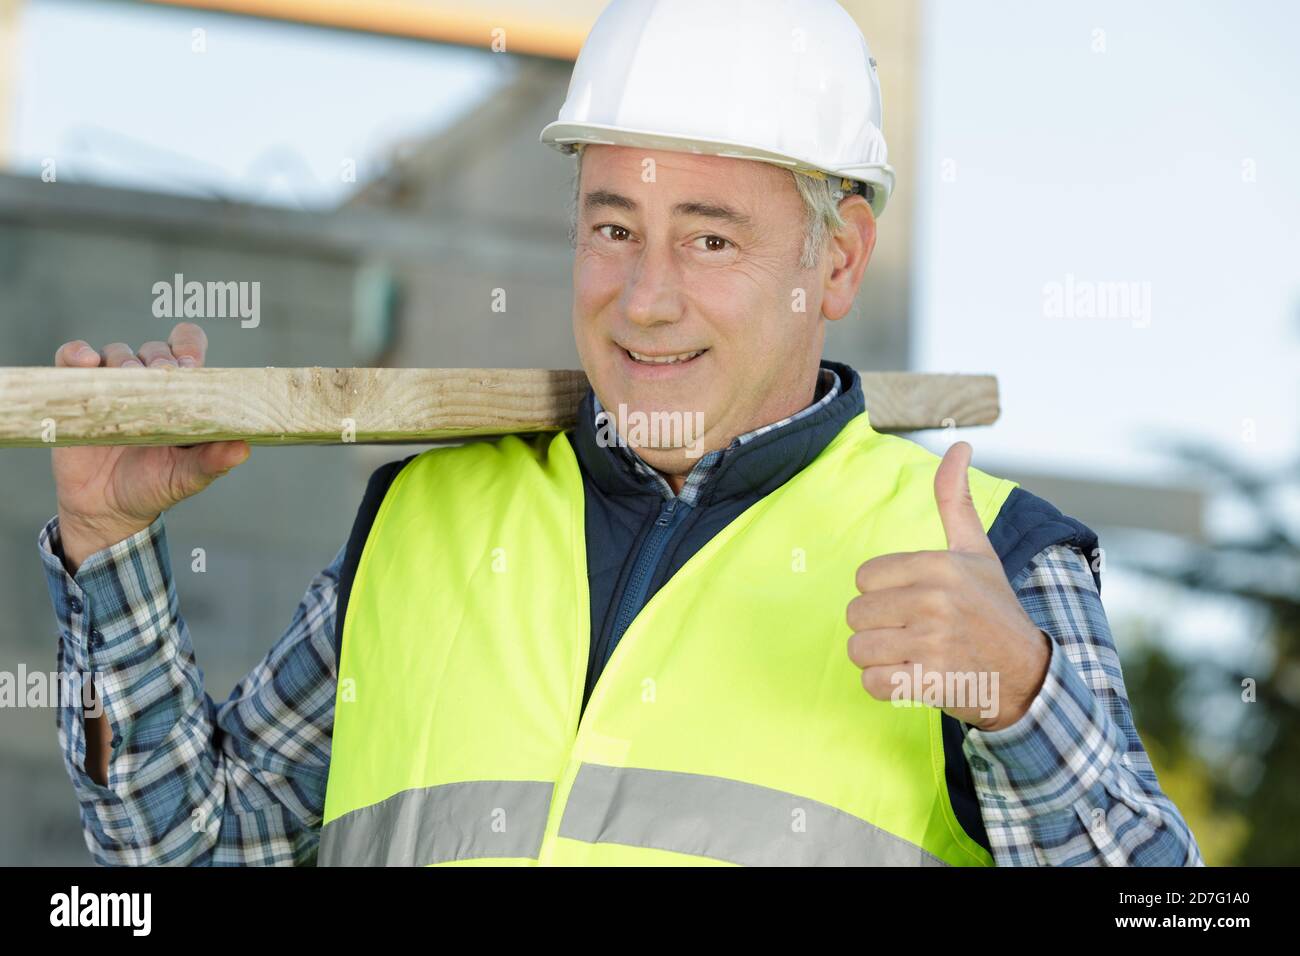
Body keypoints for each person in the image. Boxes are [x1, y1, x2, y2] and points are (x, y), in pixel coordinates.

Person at [41, 0, 1201, 866]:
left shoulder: (991, 567)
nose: (643, 298)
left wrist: (1022, 700)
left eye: (708, 240)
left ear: (836, 258)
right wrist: (107, 543)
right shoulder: (424, 520)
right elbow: (183, 854)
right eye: (612, 226)